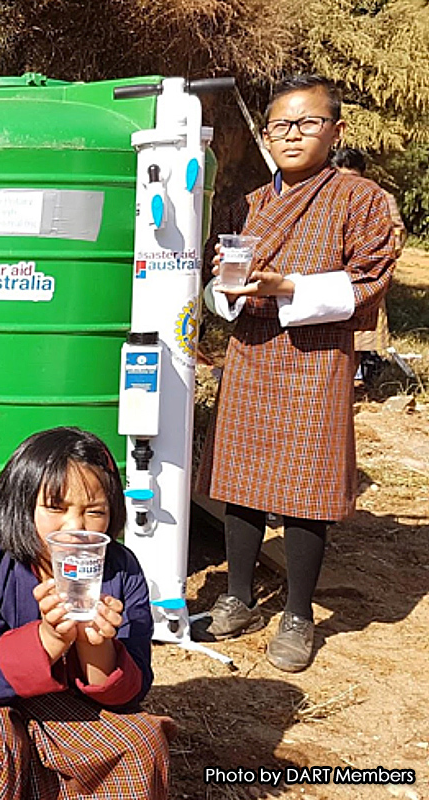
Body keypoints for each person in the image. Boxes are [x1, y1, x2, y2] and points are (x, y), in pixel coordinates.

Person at [199, 75, 398, 671]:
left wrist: (287, 287)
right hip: (251, 349)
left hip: (318, 355)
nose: (292, 135)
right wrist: (225, 289)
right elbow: (215, 283)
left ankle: (297, 614)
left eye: (308, 122)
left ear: (336, 131)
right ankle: (237, 598)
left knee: (306, 488)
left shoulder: (360, 199)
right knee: (239, 478)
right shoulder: (248, 204)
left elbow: (370, 281)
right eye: (280, 125)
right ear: (266, 135)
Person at [0, 427, 170, 800]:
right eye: (56, 507)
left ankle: (32, 773)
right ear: (22, 503)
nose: (76, 527)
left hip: (62, 695)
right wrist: (49, 639)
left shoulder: (120, 569)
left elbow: (132, 688)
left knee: (141, 746)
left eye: (94, 511)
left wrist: (96, 646)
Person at [329, 147, 406, 388]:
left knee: (360, 337)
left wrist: (371, 260)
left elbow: (396, 237)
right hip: (327, 277)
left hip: (364, 278)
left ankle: (350, 386)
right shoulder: (325, 196)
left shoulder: (381, 198)